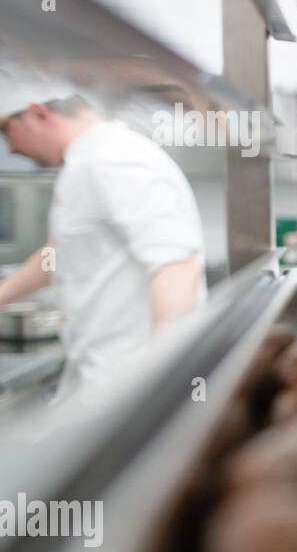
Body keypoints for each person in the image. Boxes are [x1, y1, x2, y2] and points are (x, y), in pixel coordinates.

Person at [0, 95, 206, 400]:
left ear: (38, 113)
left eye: (7, 130)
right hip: (96, 376)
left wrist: (166, 377)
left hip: (132, 381)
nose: (10, 148)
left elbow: (177, 266)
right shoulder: (85, 163)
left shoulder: (112, 160)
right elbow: (59, 255)